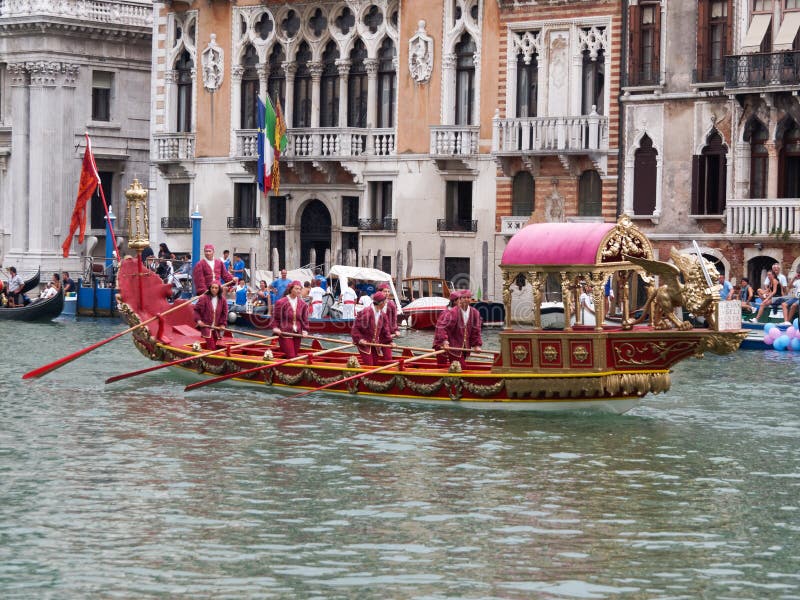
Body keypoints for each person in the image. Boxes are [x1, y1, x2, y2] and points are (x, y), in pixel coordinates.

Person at [433, 289, 483, 368]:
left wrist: (477, 345)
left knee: (453, 366)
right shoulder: (452, 312)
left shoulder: (475, 313)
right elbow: (442, 327)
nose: (466, 299)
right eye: (464, 298)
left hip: (464, 346)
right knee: (448, 366)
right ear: (459, 299)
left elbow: (476, 331)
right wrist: (444, 341)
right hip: (451, 345)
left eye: (468, 297)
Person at [351, 291, 395, 366]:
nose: (386, 303)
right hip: (364, 343)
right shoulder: (366, 312)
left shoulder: (383, 315)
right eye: (385, 301)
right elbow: (355, 329)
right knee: (370, 364)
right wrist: (359, 339)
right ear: (381, 303)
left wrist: (390, 342)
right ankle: (366, 376)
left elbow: (385, 331)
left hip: (374, 343)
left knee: (376, 364)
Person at [271, 280, 309, 358]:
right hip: (285, 333)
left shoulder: (303, 304)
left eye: (300, 289)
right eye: (296, 289)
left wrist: (305, 330)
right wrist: (275, 328)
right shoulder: (281, 302)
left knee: (295, 355)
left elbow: (304, 319)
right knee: (291, 356)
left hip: (297, 334)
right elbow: (275, 317)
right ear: (291, 289)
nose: (298, 291)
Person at [193, 280, 228, 350]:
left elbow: (224, 314)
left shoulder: (223, 300)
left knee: (214, 344)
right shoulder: (203, 298)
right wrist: (199, 321)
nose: (214, 289)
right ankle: (213, 359)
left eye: (216, 288)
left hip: (216, 327)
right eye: (212, 288)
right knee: (211, 346)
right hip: (206, 326)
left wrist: (223, 324)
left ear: (219, 289)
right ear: (210, 288)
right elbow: (196, 310)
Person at [377, 283, 399, 359]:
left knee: (388, 357)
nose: (387, 293)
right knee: (375, 354)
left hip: (386, 334)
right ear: (380, 292)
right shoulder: (374, 303)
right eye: (385, 291)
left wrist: (395, 330)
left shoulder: (391, 304)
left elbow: (394, 319)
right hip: (375, 334)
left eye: (388, 291)